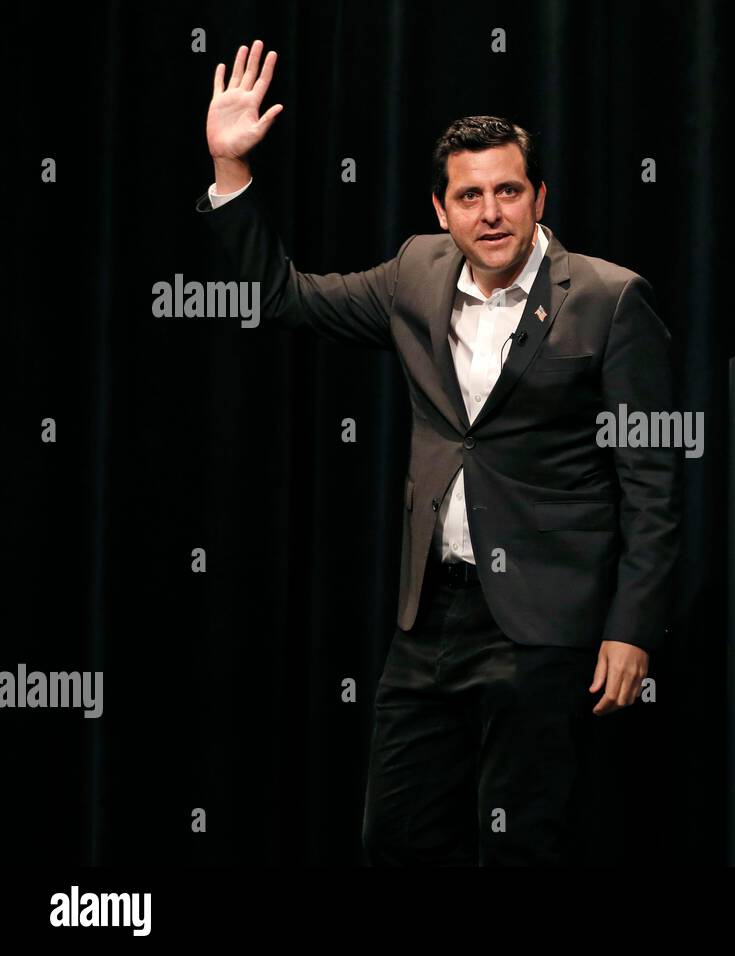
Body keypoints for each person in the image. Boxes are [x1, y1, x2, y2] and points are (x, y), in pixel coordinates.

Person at [196, 40, 682, 865]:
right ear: (441, 208)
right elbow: (279, 297)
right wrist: (229, 169)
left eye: (507, 192)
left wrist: (631, 627)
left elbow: (653, 480)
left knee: (521, 843)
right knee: (397, 835)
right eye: (469, 197)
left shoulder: (607, 296)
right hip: (432, 618)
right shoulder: (415, 275)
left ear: (538, 198)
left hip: (548, 624)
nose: (490, 212)